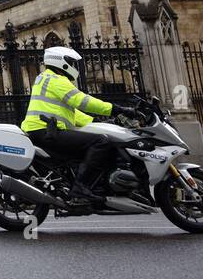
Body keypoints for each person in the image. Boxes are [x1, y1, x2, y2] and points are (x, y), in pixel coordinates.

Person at [20, 44, 138, 200]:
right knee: (101, 142)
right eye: (72, 62)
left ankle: (89, 185)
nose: (74, 66)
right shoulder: (56, 79)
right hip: (47, 132)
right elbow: (82, 101)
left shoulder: (46, 78)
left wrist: (98, 121)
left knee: (90, 143)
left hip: (43, 131)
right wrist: (117, 109)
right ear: (62, 62)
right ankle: (80, 187)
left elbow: (71, 113)